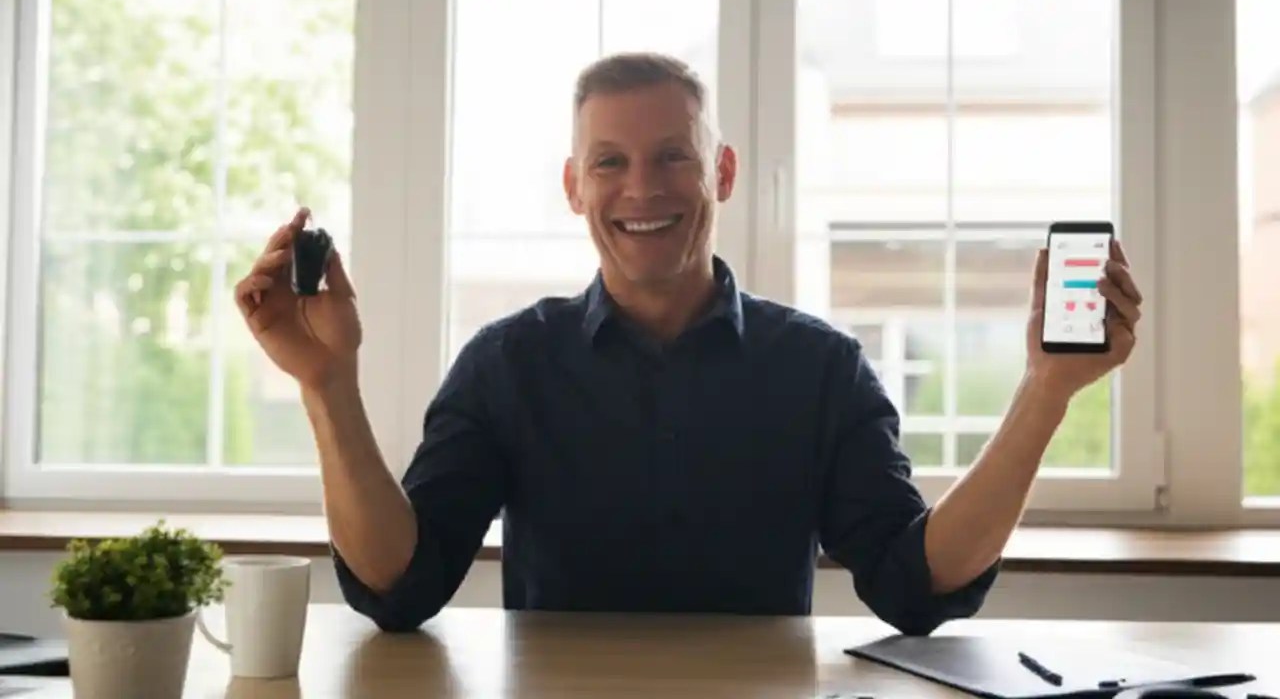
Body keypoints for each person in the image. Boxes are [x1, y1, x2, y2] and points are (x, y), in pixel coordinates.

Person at [234, 52, 1143, 636]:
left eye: (674, 156)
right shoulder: (509, 364)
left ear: (724, 172)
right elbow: (400, 584)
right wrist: (327, 382)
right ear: (573, 185)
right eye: (609, 162)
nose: (643, 188)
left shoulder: (820, 370)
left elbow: (914, 585)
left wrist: (1044, 394)